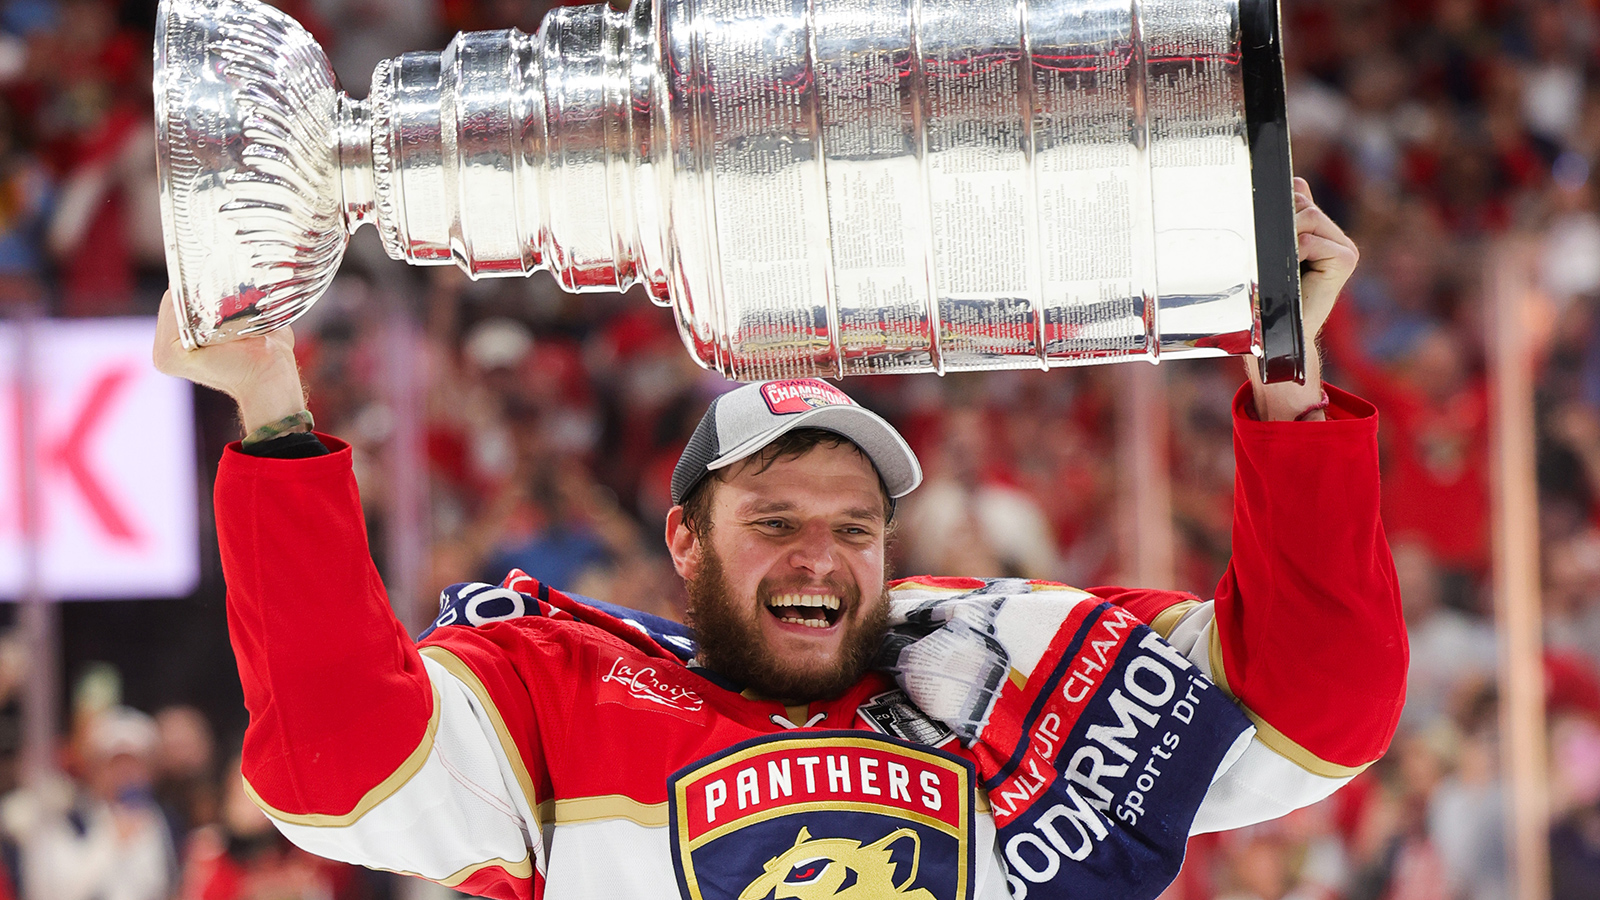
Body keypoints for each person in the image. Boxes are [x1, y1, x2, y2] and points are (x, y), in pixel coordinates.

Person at [152, 179, 1406, 900]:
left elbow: (1315, 712)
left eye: (854, 527)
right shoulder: (560, 693)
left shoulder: (1004, 672)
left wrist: (1288, 387)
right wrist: (273, 416)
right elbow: (338, 768)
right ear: (683, 541)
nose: (820, 554)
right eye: (773, 522)